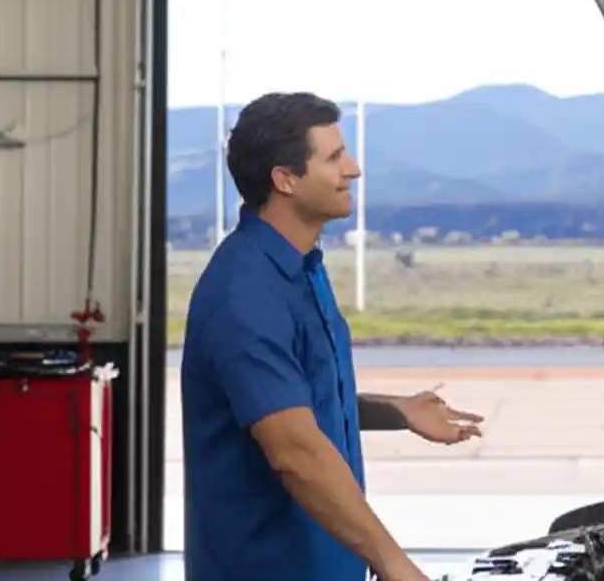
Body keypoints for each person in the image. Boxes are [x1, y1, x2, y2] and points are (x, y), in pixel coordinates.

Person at [180, 92, 484, 581]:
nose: (354, 170)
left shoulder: (301, 271)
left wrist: (397, 410)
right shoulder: (244, 294)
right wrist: (393, 564)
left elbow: (295, 397)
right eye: (334, 157)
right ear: (285, 180)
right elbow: (294, 449)